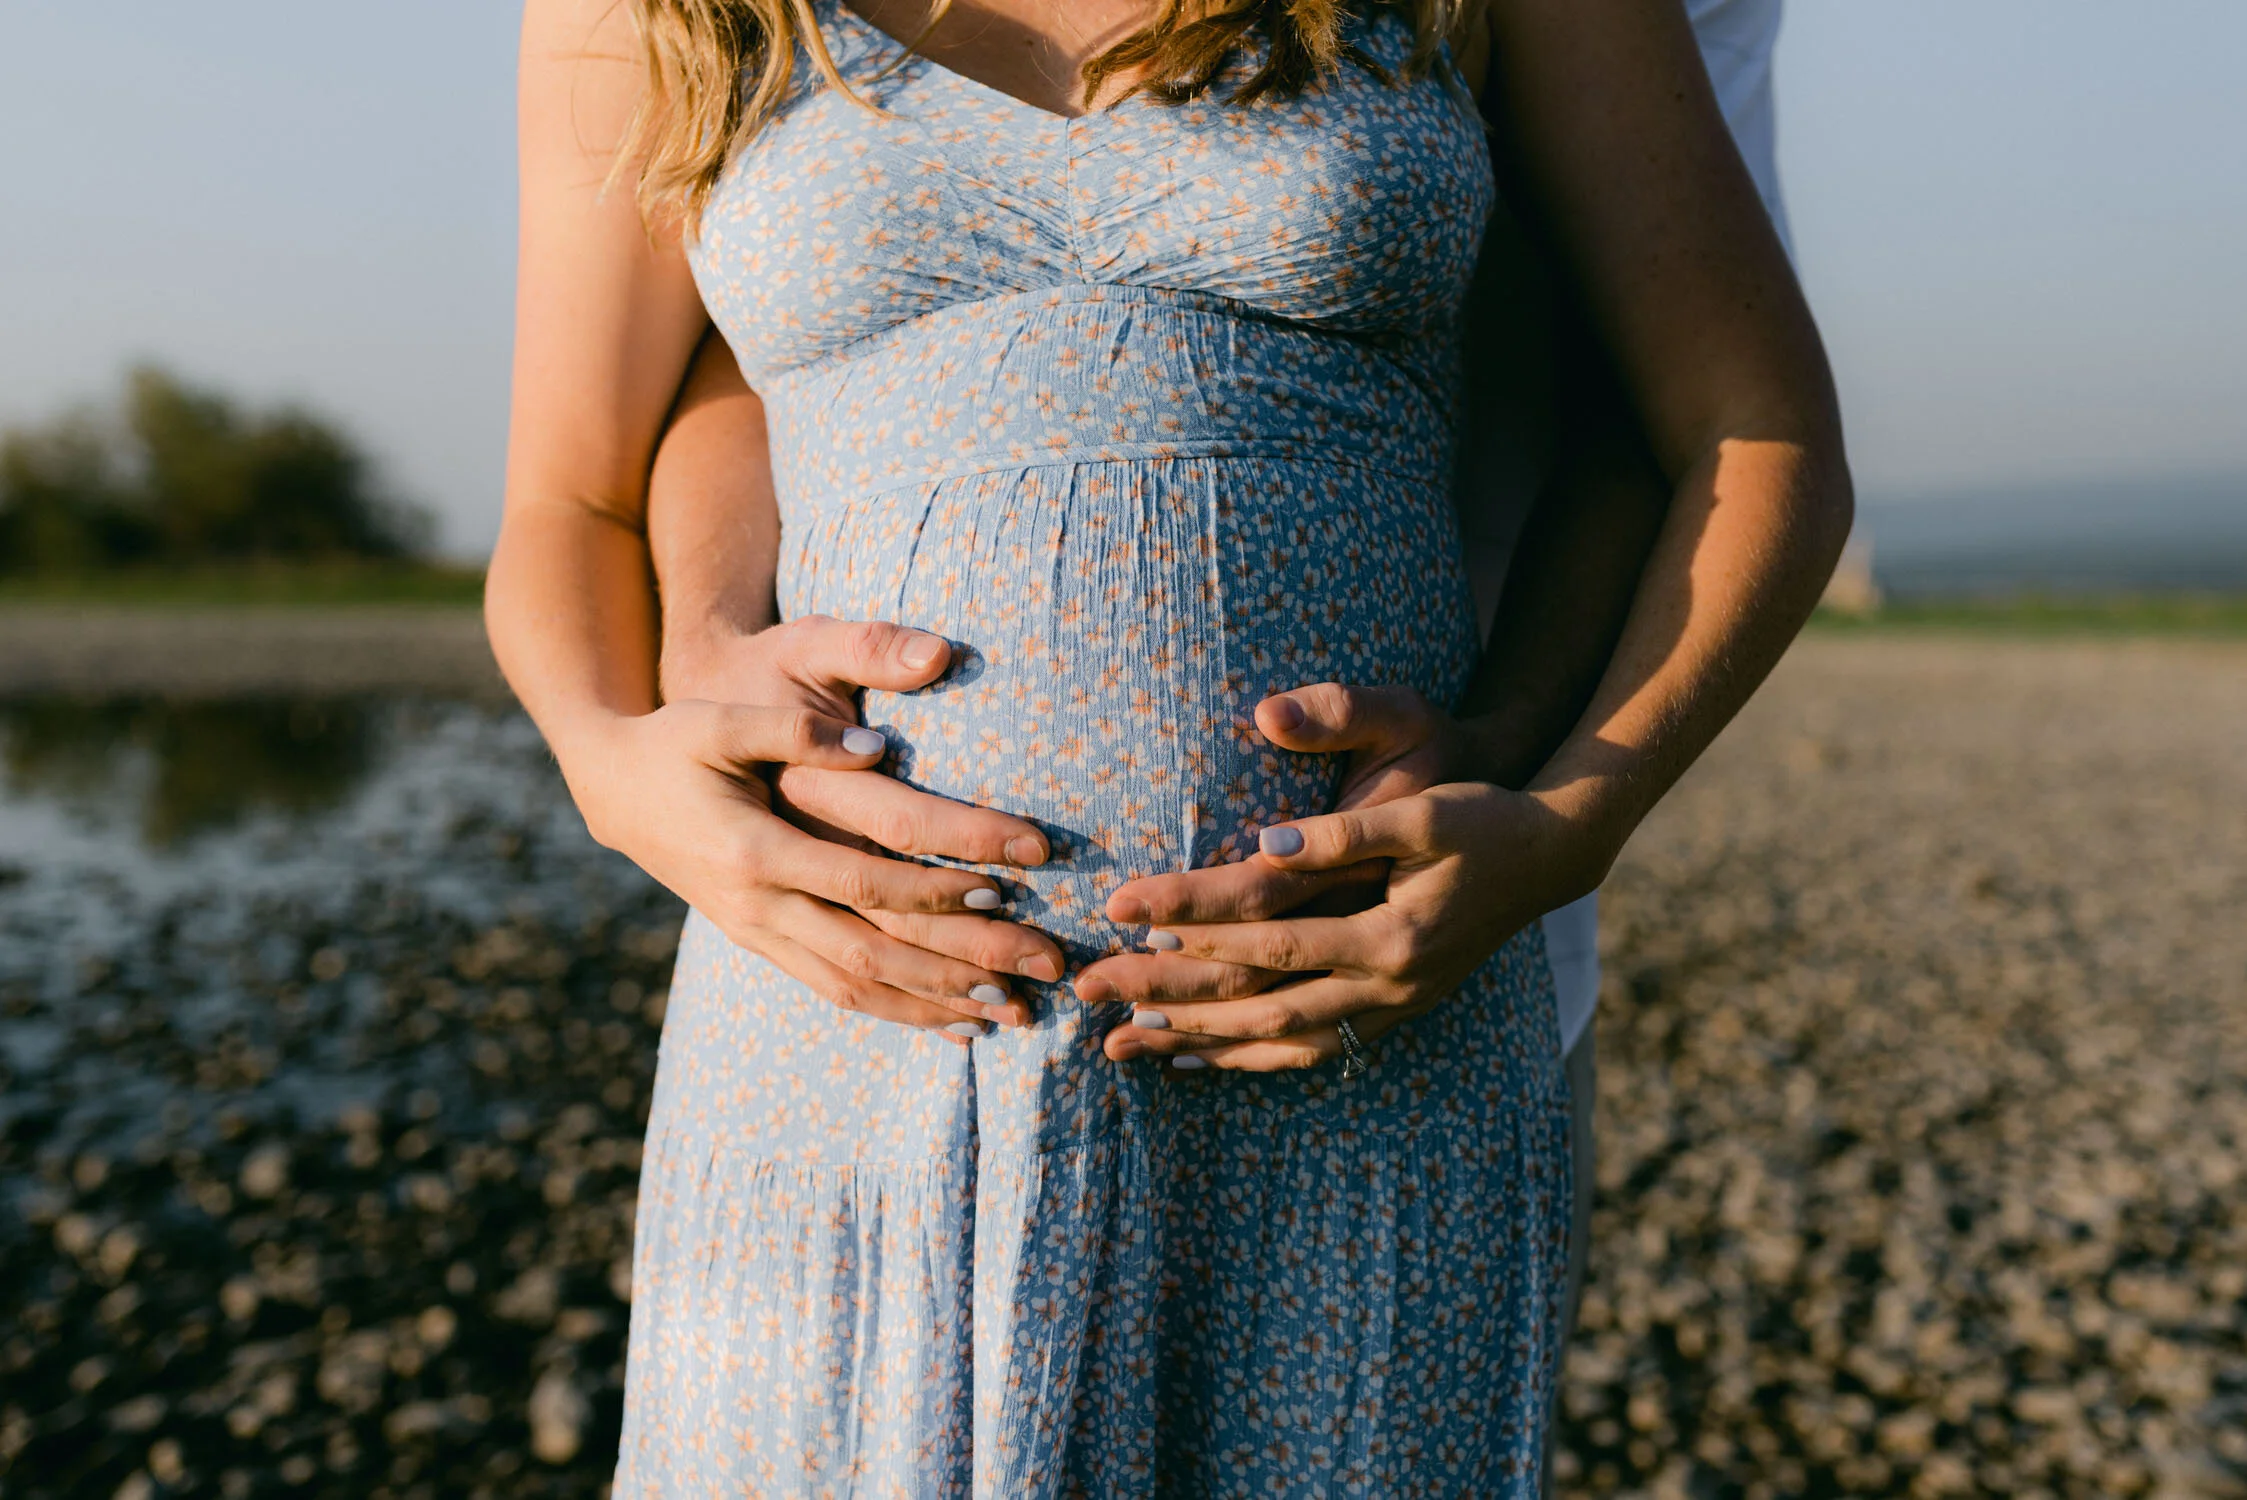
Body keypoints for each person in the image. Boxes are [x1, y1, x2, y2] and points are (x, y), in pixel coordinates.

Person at [485, 0, 1849, 1492]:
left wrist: (1569, 799)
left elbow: (1738, 426)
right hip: (840, 1027)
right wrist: (620, 768)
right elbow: (572, 495)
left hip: (1359, 1037)